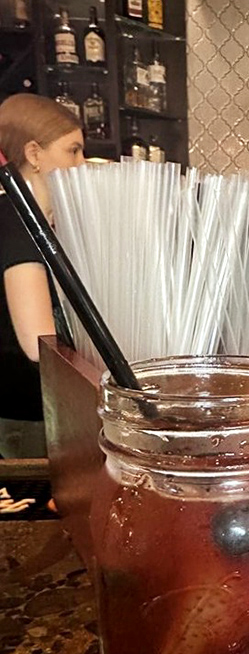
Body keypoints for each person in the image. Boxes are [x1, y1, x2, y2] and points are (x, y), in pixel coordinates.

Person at [0, 94, 84, 458]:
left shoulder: (38, 221)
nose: (82, 164)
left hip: (39, 410)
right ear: (34, 154)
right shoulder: (18, 221)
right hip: (31, 418)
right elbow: (38, 342)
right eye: (73, 151)